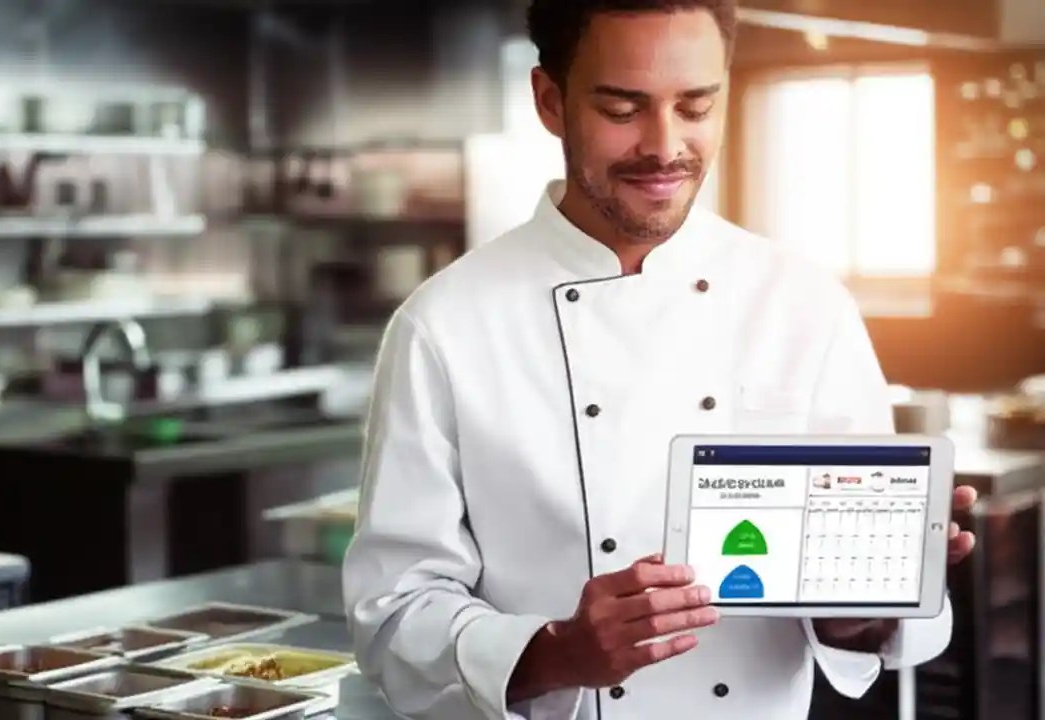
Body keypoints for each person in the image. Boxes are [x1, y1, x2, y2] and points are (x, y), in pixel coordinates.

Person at [341, 0, 978, 718]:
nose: (664, 145)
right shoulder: (444, 325)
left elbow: (855, 626)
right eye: (622, 109)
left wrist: (869, 595)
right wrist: (559, 651)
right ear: (551, 102)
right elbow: (394, 613)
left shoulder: (803, 304)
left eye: (696, 106)